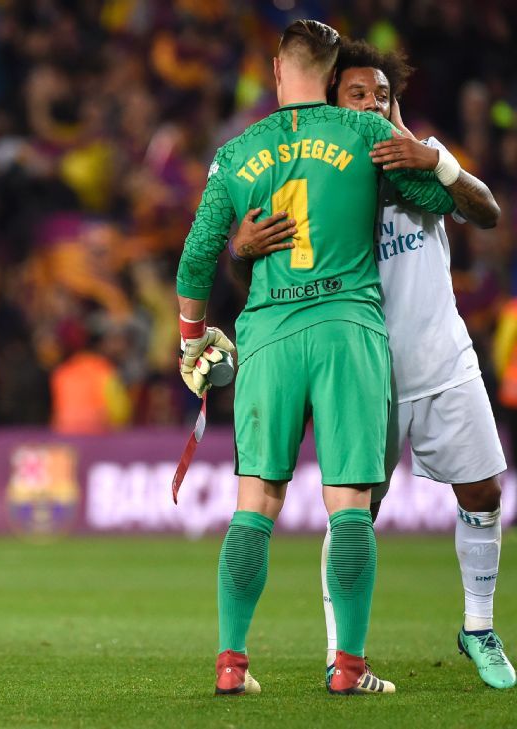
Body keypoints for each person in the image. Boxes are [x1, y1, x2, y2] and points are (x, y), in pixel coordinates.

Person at [175, 20, 455, 695]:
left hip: (269, 334)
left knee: (256, 501)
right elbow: (437, 199)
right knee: (349, 503)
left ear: (279, 69)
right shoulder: (364, 132)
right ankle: (348, 667)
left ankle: (232, 664)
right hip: (347, 329)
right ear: (333, 78)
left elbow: (195, 258)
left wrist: (191, 339)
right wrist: (435, 163)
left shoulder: (237, 152)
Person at [230, 39, 514, 690]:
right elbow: (257, 259)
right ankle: (342, 655)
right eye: (357, 94)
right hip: (362, 373)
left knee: (484, 493)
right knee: (355, 511)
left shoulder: (421, 161)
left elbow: (488, 211)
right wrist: (243, 244)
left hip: (442, 357)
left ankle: (477, 626)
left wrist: (438, 160)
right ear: (332, 103)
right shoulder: (313, 176)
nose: (372, 105)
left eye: (383, 96)